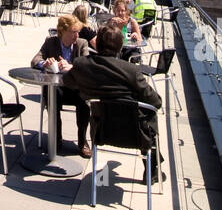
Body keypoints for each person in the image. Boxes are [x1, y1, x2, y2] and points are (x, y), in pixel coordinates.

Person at [66, 23, 163, 180]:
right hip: (135, 135)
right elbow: (156, 102)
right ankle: (152, 168)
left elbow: (69, 83)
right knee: (150, 118)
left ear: (97, 44)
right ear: (120, 48)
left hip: (101, 131)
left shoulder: (82, 64)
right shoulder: (131, 70)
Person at [30, 14, 93, 158]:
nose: (76, 35)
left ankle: (82, 141)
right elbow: (35, 60)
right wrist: (44, 63)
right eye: (73, 32)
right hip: (56, 88)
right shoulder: (51, 42)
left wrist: (71, 66)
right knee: (52, 98)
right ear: (62, 31)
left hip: (75, 88)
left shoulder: (81, 43)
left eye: (77, 31)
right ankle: (56, 139)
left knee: (84, 102)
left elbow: (87, 64)